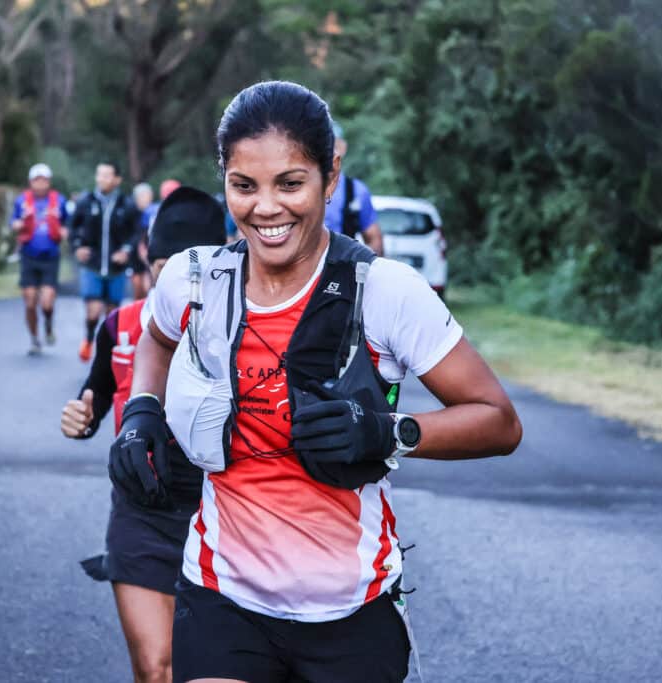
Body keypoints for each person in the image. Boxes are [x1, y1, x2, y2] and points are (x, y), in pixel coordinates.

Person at [109, 81, 523, 683]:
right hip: (222, 596)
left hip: (351, 609)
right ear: (224, 177)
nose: (266, 209)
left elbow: (499, 420)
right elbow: (157, 335)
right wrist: (142, 409)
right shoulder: (194, 280)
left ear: (331, 178)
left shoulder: (385, 292)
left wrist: (385, 433)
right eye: (244, 186)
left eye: (291, 183)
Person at [61, 187, 227, 683]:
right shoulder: (120, 325)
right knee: (157, 668)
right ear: (147, 262)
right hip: (142, 511)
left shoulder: (244, 325)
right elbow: (94, 396)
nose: (175, 279)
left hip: (225, 511)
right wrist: (81, 419)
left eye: (188, 267)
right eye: (163, 266)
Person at [70, 161, 140, 362]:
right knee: (93, 311)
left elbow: (136, 233)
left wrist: (126, 251)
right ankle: (89, 339)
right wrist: (77, 247)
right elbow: (73, 227)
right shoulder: (85, 202)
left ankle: (106, 355)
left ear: (117, 180)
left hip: (116, 269)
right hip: (91, 265)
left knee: (111, 315)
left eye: (107, 175)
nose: (101, 179)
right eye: (99, 174)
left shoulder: (126, 205)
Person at [9, 162, 68, 356]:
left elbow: (67, 223)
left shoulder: (59, 200)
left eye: (44, 179)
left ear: (49, 181)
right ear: (30, 182)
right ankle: (35, 339)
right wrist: (18, 225)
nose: (40, 183)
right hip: (29, 256)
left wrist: (64, 232)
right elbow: (14, 222)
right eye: (37, 179)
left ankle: (49, 325)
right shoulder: (22, 201)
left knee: (47, 302)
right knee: (30, 301)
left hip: (50, 256)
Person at [324, 122, 384, 256]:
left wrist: (362, 271)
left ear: (342, 148)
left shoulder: (356, 191)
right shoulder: (296, 186)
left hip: (339, 269)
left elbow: (374, 239)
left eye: (331, 144)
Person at [130, 183, 156, 301]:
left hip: (148, 254)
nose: (146, 199)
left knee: (148, 289)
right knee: (137, 288)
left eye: (147, 196)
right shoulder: (130, 212)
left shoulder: (153, 212)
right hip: (134, 256)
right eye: (142, 196)